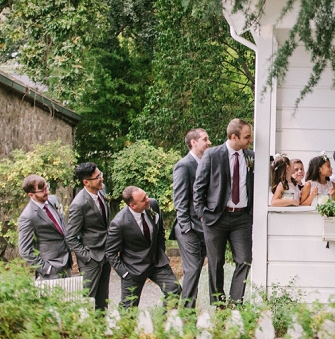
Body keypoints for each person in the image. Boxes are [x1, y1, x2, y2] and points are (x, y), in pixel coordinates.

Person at [193, 118, 255, 305]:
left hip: (242, 217)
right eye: (247, 136)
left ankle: (235, 303)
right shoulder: (212, 155)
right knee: (216, 263)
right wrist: (202, 213)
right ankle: (218, 304)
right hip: (216, 218)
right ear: (234, 137)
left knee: (244, 260)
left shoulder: (251, 156)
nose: (250, 140)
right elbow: (199, 187)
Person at [105, 186, 182, 308]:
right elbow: (110, 253)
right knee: (128, 307)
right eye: (143, 199)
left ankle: (165, 323)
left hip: (156, 263)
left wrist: (160, 251)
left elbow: (160, 230)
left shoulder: (152, 205)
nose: (148, 200)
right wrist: (124, 273)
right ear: (133, 206)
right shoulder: (119, 223)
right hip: (133, 268)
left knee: (174, 290)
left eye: (146, 195)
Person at [173, 127, 212, 309]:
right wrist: (186, 227)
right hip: (189, 229)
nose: (209, 142)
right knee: (192, 269)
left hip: (204, 227)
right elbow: (180, 199)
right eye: (205, 139)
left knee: (198, 269)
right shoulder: (184, 165)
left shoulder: (207, 163)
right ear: (194, 142)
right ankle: (186, 315)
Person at [65, 162, 111, 309]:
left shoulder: (102, 192)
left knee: (103, 300)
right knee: (88, 301)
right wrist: (87, 256)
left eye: (100, 174)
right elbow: (70, 237)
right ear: (86, 182)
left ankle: (102, 328)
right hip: (91, 260)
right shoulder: (78, 204)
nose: (101, 179)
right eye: (97, 177)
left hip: (106, 255)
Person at [17, 174, 72, 280]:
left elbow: (61, 228)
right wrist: (47, 269)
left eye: (47, 187)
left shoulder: (53, 200)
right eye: (42, 190)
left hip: (67, 262)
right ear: (31, 195)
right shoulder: (28, 216)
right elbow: (25, 251)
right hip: (51, 269)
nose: (47, 192)